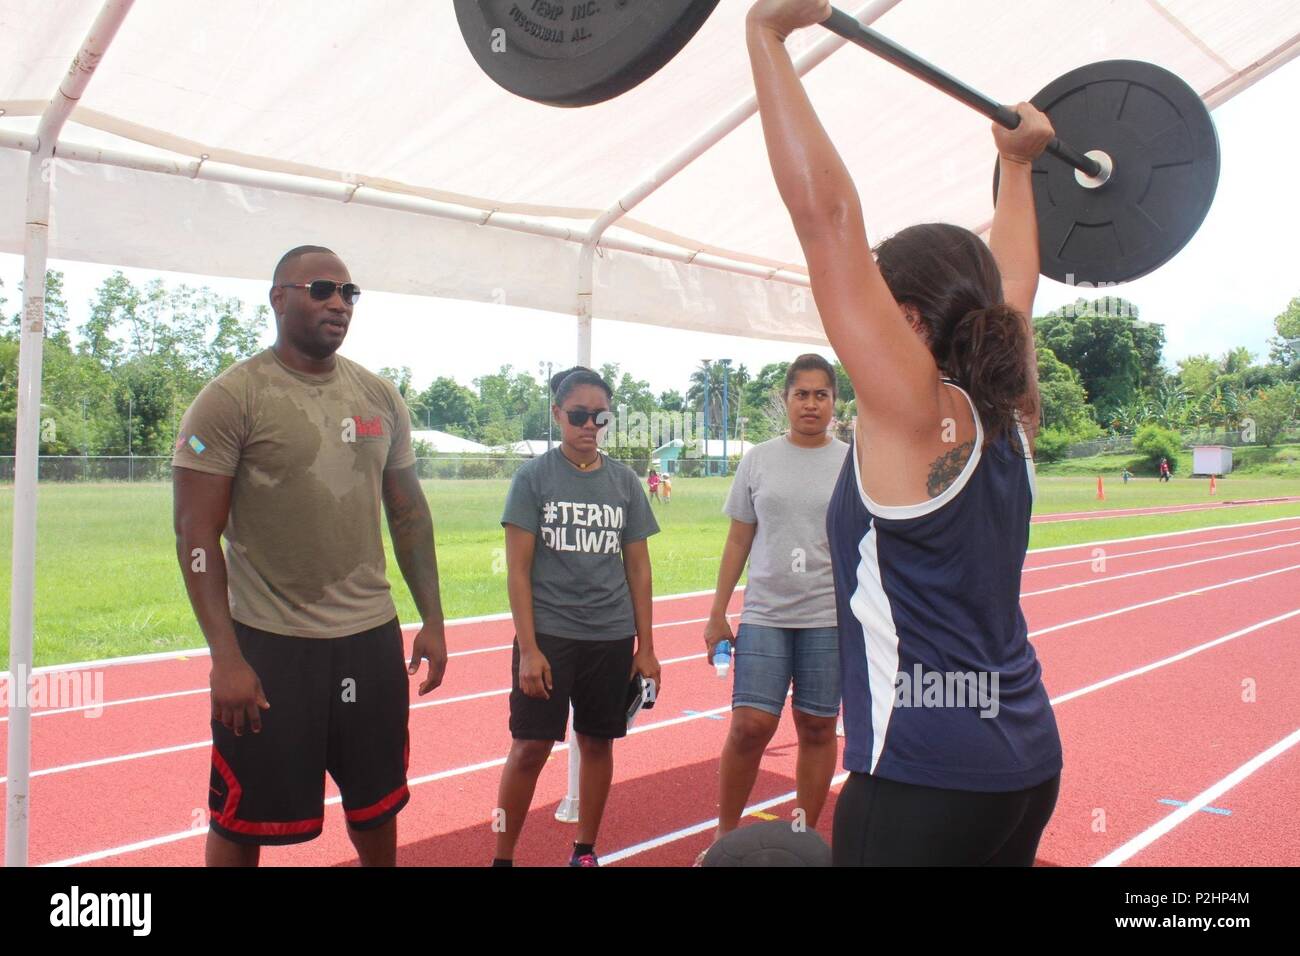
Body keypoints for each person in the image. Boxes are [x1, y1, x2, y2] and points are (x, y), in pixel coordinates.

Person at [748, 0, 1062, 865]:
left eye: (880, 301)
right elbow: (1018, 284)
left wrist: (767, 36)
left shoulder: (917, 413)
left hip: (926, 779)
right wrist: (1016, 165)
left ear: (911, 320)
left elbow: (828, 222)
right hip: (1026, 763)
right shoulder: (1004, 409)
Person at [172, 245, 448, 867]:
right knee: (243, 817)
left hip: (369, 640)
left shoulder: (379, 396)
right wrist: (226, 658)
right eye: (321, 288)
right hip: (270, 645)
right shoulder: (229, 399)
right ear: (278, 299)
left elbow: (408, 513)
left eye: (349, 293)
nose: (338, 303)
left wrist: (432, 620)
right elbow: (195, 537)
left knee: (377, 805)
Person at [493, 366, 662, 867]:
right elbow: (518, 572)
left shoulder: (625, 482)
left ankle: (584, 850)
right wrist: (529, 649)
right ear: (557, 415)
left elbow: (639, 567)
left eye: (600, 416)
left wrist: (646, 647)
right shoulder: (533, 478)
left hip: (609, 638)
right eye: (579, 415)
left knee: (597, 742)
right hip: (549, 636)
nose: (589, 426)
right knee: (529, 748)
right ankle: (503, 857)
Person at [702, 354, 849, 858]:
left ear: (834, 402)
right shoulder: (758, 459)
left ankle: (801, 841)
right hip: (765, 612)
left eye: (821, 394)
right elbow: (739, 538)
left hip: (827, 616)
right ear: (785, 399)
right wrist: (718, 610)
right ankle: (725, 837)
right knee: (750, 727)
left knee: (816, 726)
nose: (811, 403)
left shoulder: (852, 462)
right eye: (801, 393)